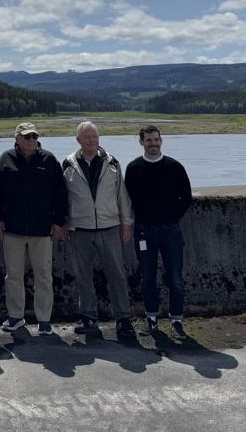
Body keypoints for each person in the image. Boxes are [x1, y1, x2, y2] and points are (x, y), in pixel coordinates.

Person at [61, 121, 136, 340]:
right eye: (87, 137)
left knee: (117, 275)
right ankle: (88, 318)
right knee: (83, 276)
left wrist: (126, 223)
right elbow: (62, 197)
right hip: (80, 228)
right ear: (78, 140)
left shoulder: (112, 162)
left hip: (109, 226)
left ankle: (123, 319)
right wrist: (64, 222)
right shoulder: (68, 164)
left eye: (95, 136)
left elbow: (122, 195)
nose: (92, 140)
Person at [0, 122, 68, 335]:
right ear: (17, 139)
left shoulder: (49, 159)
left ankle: (44, 320)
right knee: (13, 275)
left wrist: (59, 222)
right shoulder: (5, 159)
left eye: (35, 136)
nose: (32, 140)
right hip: (12, 229)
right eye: (27, 137)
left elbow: (61, 193)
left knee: (43, 275)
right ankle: (16, 317)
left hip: (42, 229)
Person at [124, 124, 193, 339]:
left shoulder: (175, 167)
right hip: (144, 232)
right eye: (148, 140)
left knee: (175, 279)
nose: (153, 144)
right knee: (147, 278)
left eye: (156, 139)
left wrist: (171, 217)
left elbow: (186, 197)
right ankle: (151, 319)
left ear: (161, 141)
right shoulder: (133, 168)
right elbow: (128, 199)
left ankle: (176, 322)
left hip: (170, 231)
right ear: (141, 142)